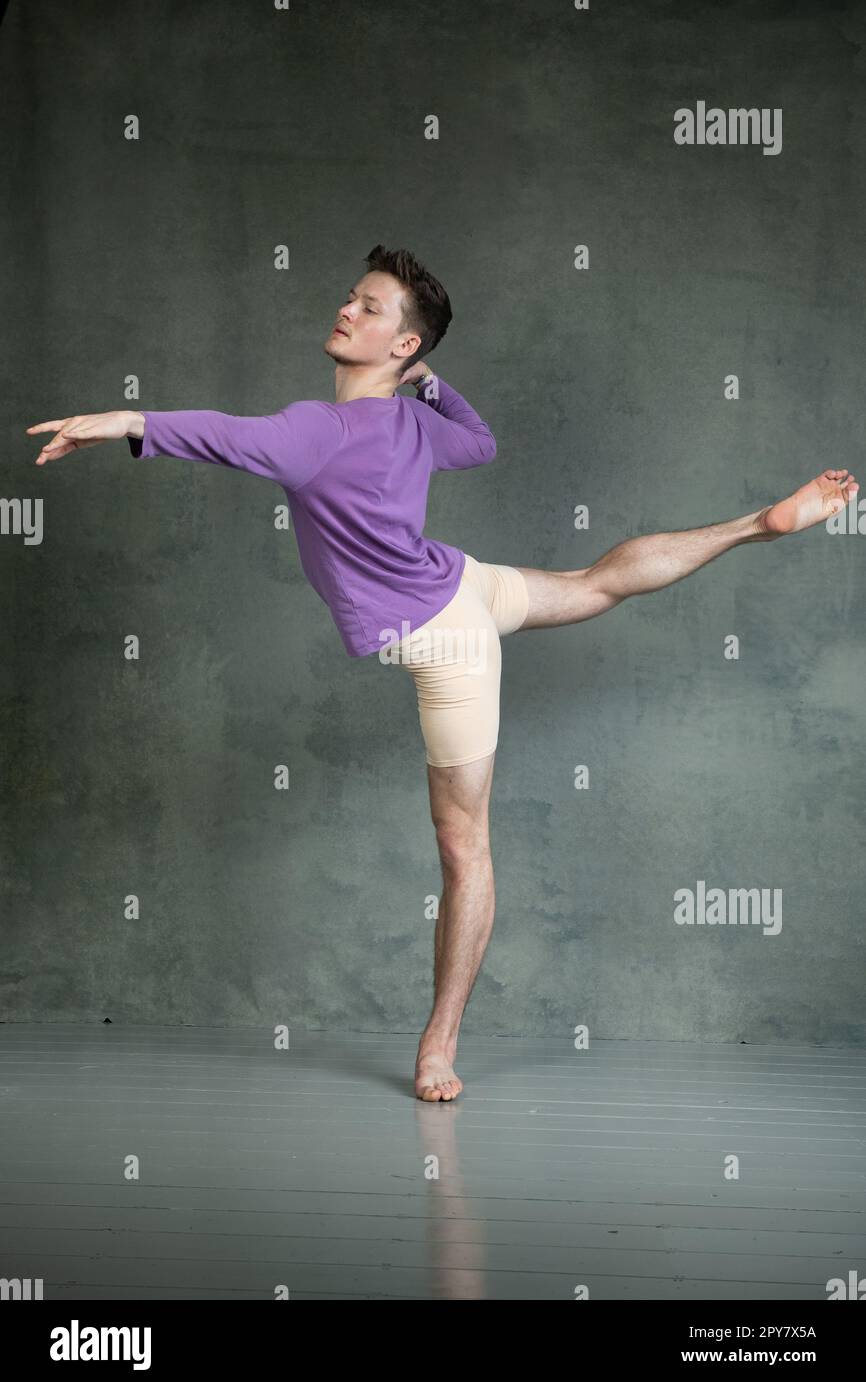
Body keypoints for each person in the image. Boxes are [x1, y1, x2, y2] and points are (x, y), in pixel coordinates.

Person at [27, 244, 859, 1103]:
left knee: (465, 849)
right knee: (596, 583)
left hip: (446, 643)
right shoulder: (413, 421)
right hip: (461, 584)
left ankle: (438, 1046)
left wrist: (126, 422)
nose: (347, 310)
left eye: (372, 307)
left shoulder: (317, 429)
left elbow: (224, 437)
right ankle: (756, 523)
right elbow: (482, 441)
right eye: (352, 296)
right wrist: (425, 380)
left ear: (402, 343)